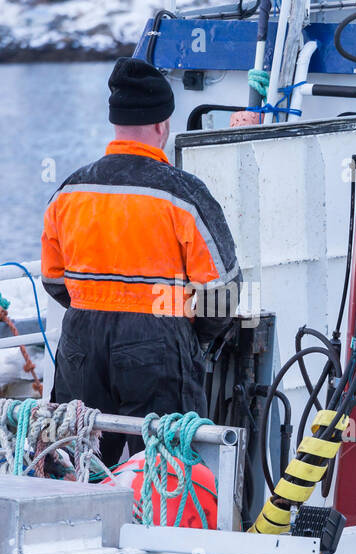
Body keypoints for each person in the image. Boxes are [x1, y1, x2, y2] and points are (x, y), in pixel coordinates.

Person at [41, 57, 241, 465]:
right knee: (170, 473)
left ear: (116, 122)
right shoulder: (183, 194)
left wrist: (98, 306)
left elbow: (53, 280)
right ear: (163, 124)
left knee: (80, 465)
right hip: (158, 345)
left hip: (80, 346)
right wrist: (190, 334)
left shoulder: (69, 191)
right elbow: (222, 293)